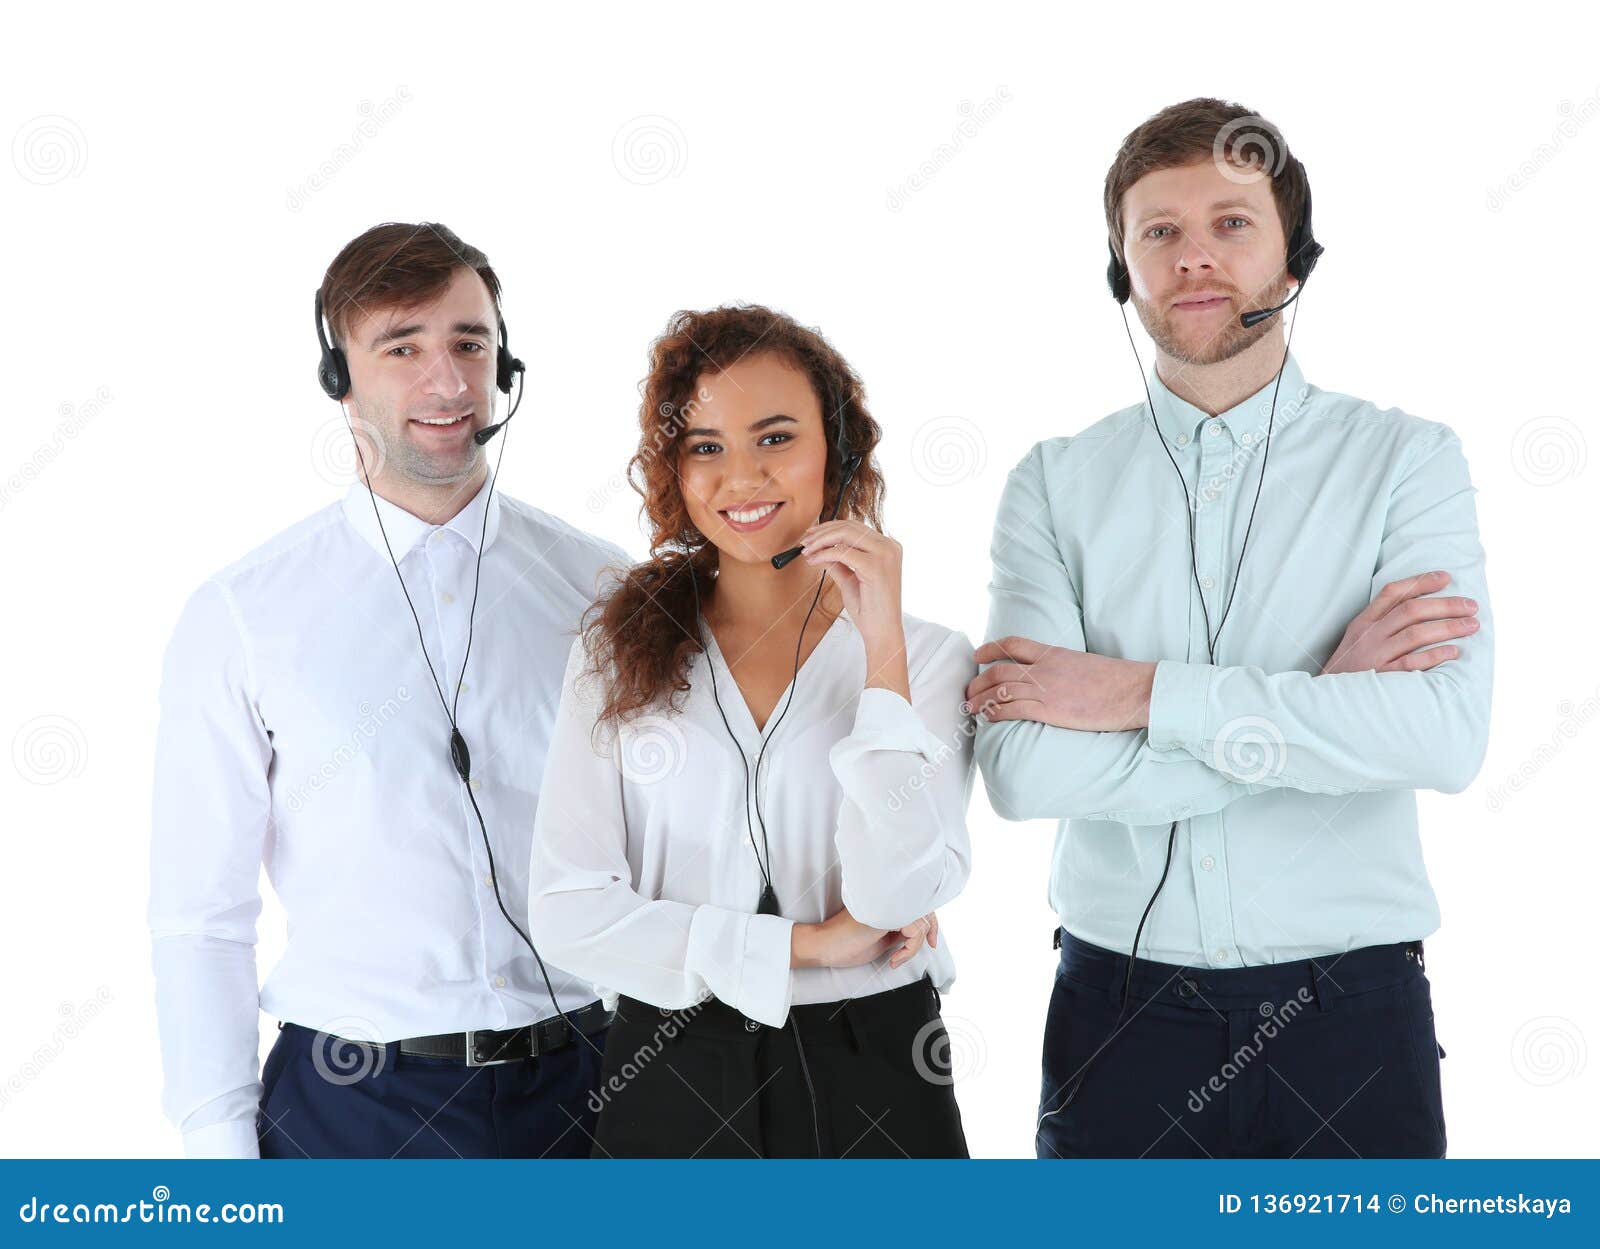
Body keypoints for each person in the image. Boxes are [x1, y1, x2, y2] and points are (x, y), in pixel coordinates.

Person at [968, 99, 1492, 1159]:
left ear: (1292, 261)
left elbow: (1439, 738)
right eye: (1158, 231)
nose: (1192, 257)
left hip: (1351, 1017)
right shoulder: (1053, 483)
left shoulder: (1407, 460)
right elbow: (1023, 773)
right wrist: (1322, 703)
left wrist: (1131, 696)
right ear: (1122, 271)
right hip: (1116, 1020)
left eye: (1231, 224)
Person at [148, 222, 625, 1158]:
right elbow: (200, 912)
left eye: (468, 343)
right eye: (401, 348)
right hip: (348, 1111)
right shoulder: (244, 613)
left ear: (505, 362)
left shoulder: (605, 589)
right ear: (340, 378)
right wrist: (220, 1152)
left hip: (588, 1088)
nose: (446, 382)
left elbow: (689, 830)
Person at [526, 304, 977, 1158]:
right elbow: (568, 910)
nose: (742, 477)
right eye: (706, 447)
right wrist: (807, 945)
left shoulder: (930, 655)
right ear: (673, 465)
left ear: (836, 449)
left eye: (775, 437)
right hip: (670, 1064)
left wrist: (880, 645)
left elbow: (892, 896)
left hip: (878, 1057)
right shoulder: (616, 650)